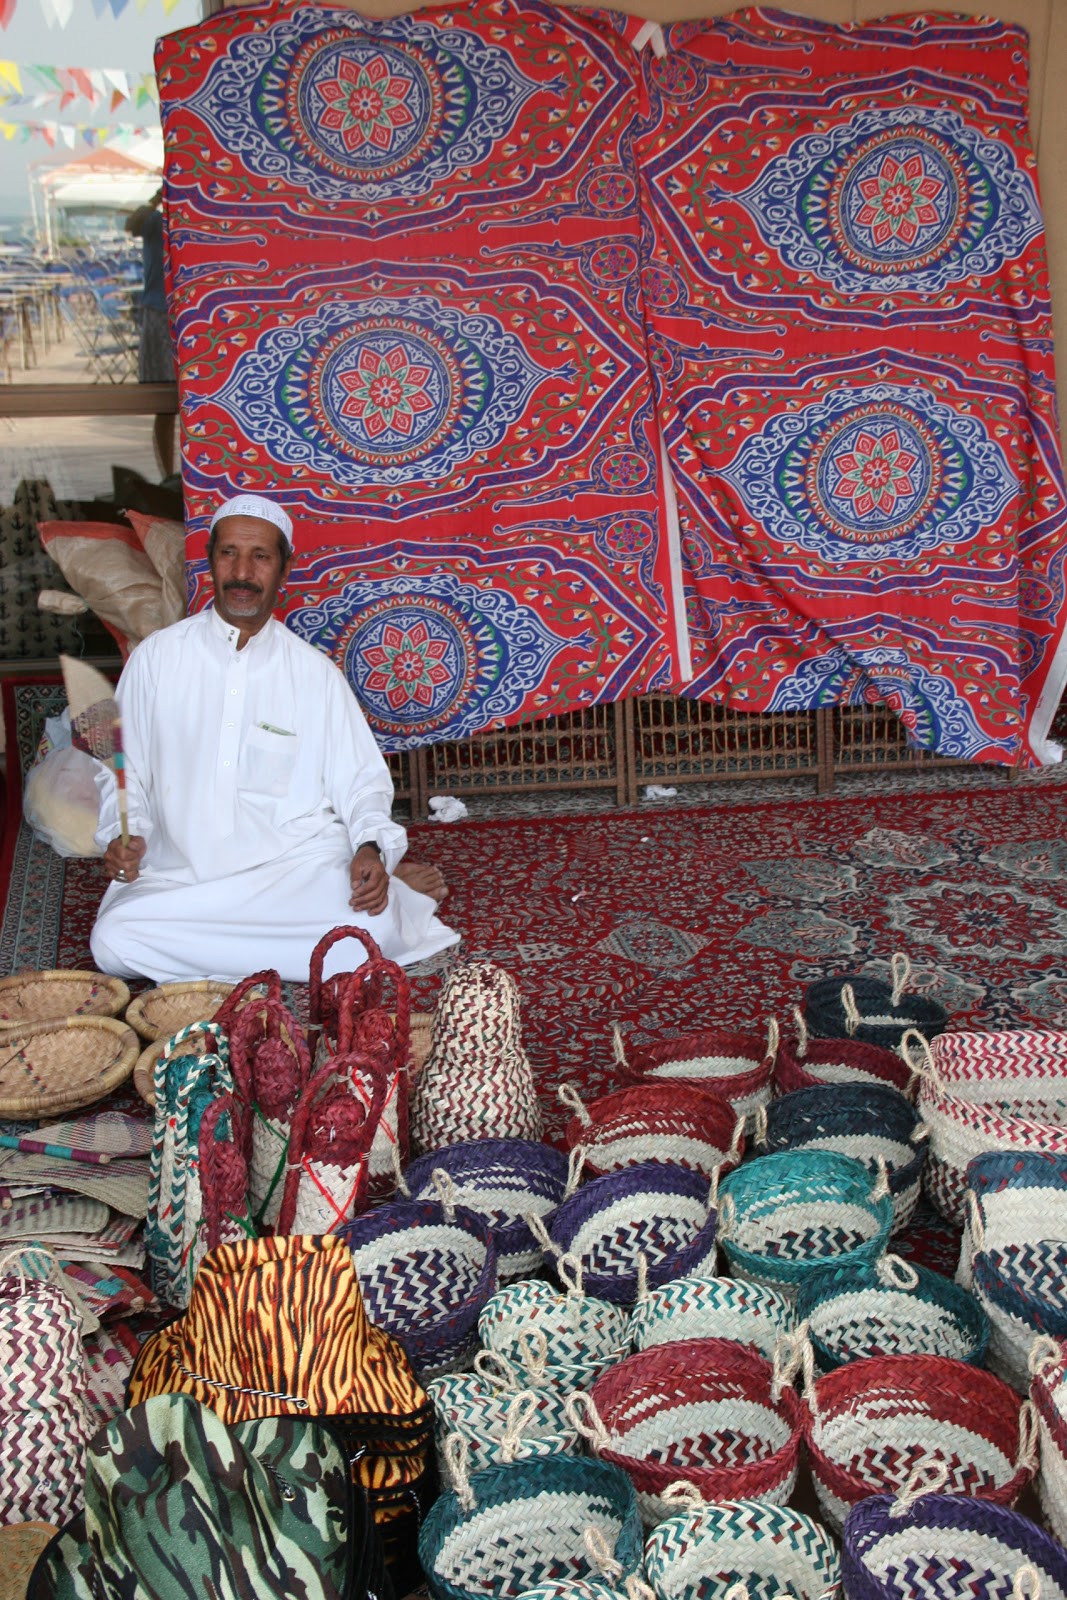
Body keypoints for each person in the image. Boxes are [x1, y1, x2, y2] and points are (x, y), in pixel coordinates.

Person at [89, 494, 459, 984]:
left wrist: (371, 848)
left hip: (290, 871)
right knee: (112, 942)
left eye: (260, 556)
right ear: (210, 561)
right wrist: (126, 832)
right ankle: (277, 950)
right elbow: (122, 768)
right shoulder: (158, 659)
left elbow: (362, 784)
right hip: (180, 877)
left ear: (284, 569)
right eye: (229, 554)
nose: (242, 572)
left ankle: (211, 959)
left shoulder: (313, 674)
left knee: (370, 928)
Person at [125, 190, 176, 477]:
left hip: (188, 316)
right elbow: (133, 223)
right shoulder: (157, 221)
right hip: (160, 313)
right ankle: (167, 475)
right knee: (164, 404)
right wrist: (158, 195)